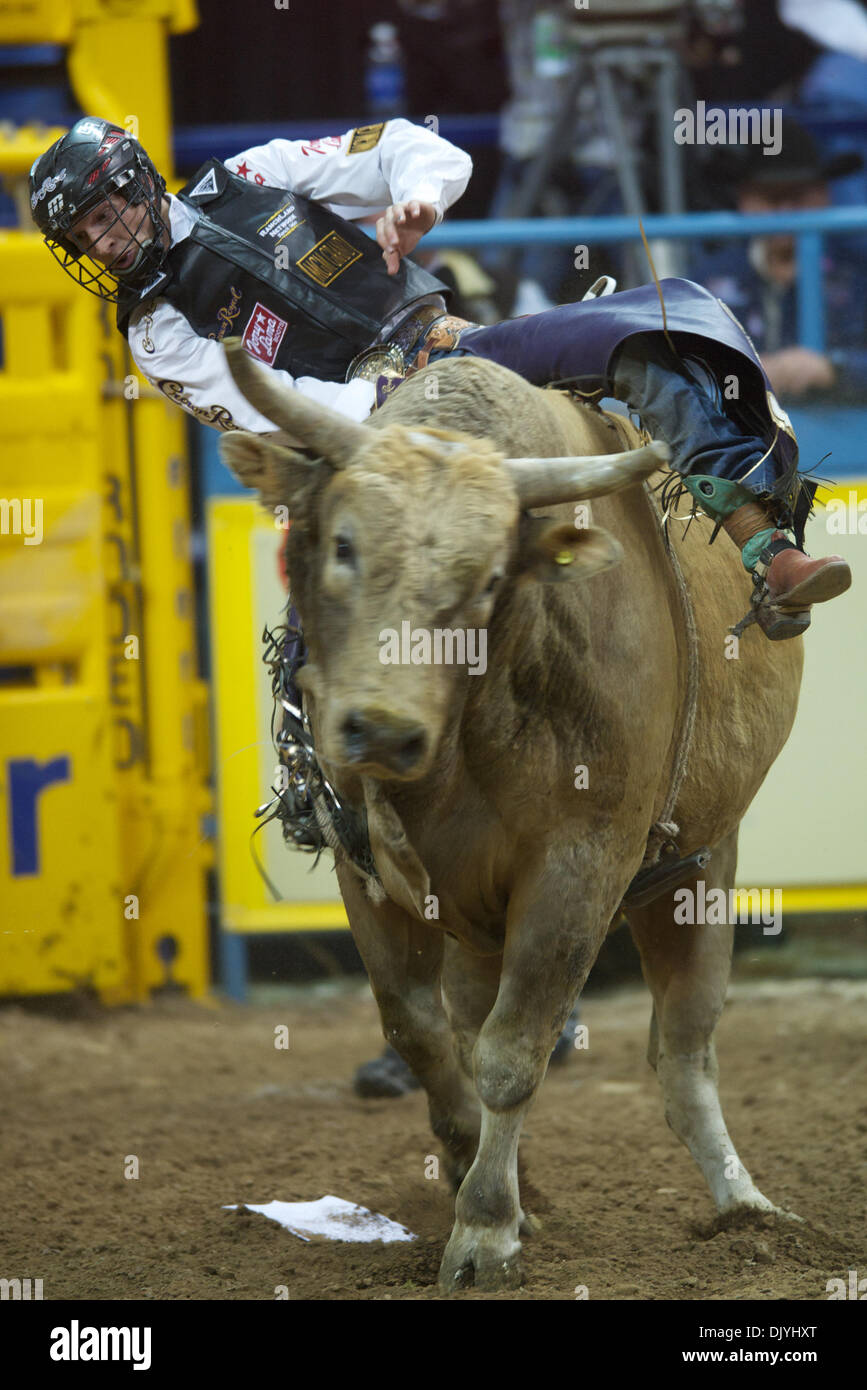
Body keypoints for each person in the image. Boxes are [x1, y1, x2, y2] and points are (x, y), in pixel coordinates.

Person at [30, 117, 850, 1092]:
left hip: (461, 355)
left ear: (137, 181)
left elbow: (413, 147)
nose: (105, 235)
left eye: (107, 208)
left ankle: (764, 539)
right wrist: (391, 404)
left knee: (659, 335)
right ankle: (383, 913)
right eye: (84, 231)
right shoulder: (157, 330)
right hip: (357, 455)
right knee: (340, 647)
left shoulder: (250, 174)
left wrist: (416, 198)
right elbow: (270, 407)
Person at [692, 117, 867, 401]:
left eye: (798, 195)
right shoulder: (707, 283)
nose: (786, 210)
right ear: (744, 199)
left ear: (825, 194)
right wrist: (741, 372)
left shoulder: (860, 275)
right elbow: (674, 369)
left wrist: (836, 369)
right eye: (771, 197)